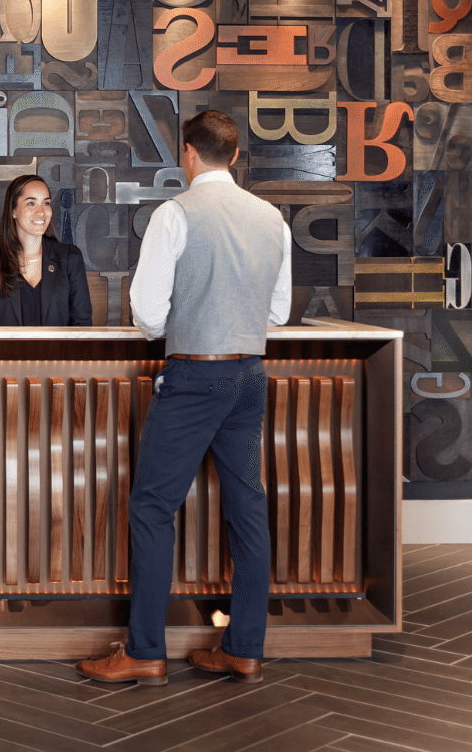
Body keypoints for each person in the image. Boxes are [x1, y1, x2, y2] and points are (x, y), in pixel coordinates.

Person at [76, 110, 292, 686]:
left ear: (188, 154)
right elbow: (276, 313)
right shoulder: (272, 219)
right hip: (250, 375)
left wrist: (188, 317)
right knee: (248, 512)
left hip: (196, 376)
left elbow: (148, 315)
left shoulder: (175, 214)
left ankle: (146, 650)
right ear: (235, 155)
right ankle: (244, 648)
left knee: (151, 508)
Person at [0, 174, 92, 327]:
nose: (41, 212)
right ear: (13, 210)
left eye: (46, 203)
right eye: (31, 203)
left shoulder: (71, 258)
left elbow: (82, 328)